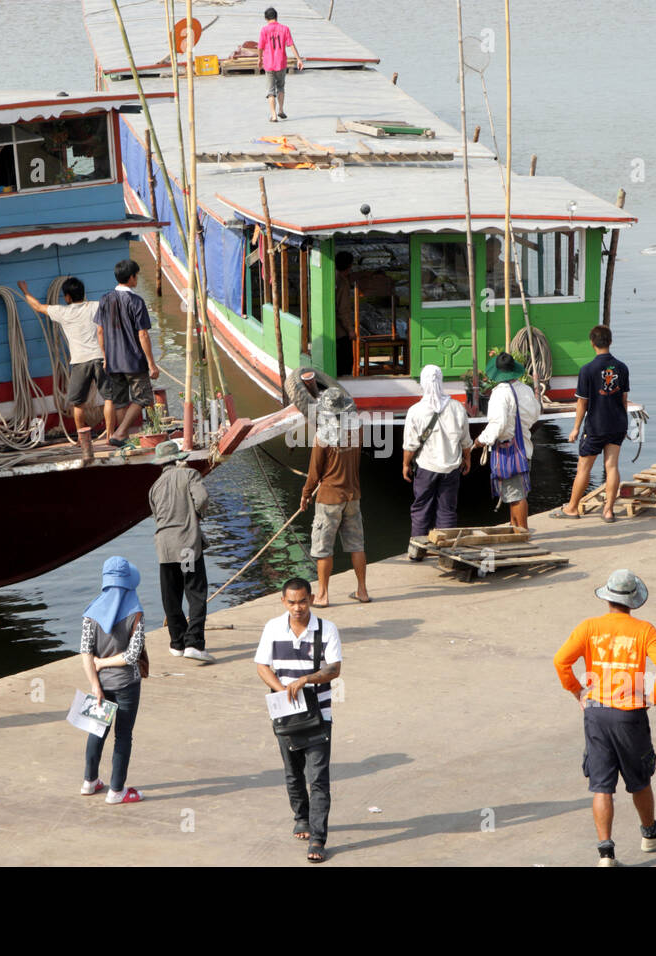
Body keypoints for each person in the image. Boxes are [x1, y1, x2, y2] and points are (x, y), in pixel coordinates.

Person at [553, 569, 656, 867]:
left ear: (607, 598)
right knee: (639, 778)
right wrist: (652, 698)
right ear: (633, 602)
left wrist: (578, 692)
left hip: (596, 712)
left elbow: (561, 660)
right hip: (629, 714)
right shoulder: (645, 630)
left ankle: (606, 854)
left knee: (601, 784)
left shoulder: (588, 628)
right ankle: (650, 833)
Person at [254, 577, 342, 863]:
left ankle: (318, 838)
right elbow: (262, 665)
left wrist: (304, 680)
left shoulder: (326, 629)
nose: (297, 608)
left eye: (302, 601)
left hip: (320, 715)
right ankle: (301, 817)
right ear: (283, 602)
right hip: (285, 714)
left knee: (317, 778)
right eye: (291, 602)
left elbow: (334, 669)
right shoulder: (272, 628)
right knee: (293, 773)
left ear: (312, 599)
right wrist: (283, 691)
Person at [79, 556, 147, 804]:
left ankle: (90, 781)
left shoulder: (90, 613)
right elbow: (132, 655)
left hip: (101, 686)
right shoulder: (135, 612)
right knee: (123, 736)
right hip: (128, 684)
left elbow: (85, 651)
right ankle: (117, 791)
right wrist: (106, 662)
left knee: (96, 731)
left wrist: (96, 683)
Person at [18, 276, 104, 461]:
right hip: (99, 357)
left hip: (80, 361)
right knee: (110, 398)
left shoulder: (63, 312)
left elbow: (38, 307)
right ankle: (112, 435)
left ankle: (82, 439)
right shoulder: (96, 306)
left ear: (67, 297)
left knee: (77, 402)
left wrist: (25, 291)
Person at [300, 388, 370, 606]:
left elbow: (314, 473)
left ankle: (322, 595)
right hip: (353, 495)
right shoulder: (357, 430)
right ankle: (362, 591)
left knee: (323, 549)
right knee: (357, 545)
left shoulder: (323, 437)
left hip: (329, 498)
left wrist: (305, 495)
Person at [148, 440, 215, 663]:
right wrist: (196, 515)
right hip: (186, 547)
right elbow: (203, 499)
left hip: (164, 549)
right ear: (178, 459)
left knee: (171, 595)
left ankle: (177, 642)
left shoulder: (154, 487)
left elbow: (157, 515)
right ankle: (194, 642)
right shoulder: (190, 475)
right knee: (194, 592)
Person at [559, 326, 630, 522]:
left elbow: (582, 402)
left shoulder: (587, 370)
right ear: (610, 342)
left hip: (596, 426)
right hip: (617, 423)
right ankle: (608, 511)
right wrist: (624, 423)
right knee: (612, 466)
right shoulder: (622, 368)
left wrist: (575, 428)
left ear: (592, 343)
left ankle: (572, 508)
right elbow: (624, 399)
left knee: (583, 468)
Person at [402, 364, 472, 541]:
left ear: (423, 384)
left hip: (426, 468)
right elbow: (465, 440)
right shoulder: (457, 407)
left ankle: (418, 550)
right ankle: (444, 551)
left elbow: (410, 445)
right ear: (441, 381)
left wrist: (405, 464)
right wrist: (467, 458)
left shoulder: (415, 411)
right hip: (451, 468)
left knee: (421, 509)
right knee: (447, 511)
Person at [95, 260, 161, 448]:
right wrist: (151, 364)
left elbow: (100, 331)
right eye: (136, 276)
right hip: (133, 360)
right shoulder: (136, 301)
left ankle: (122, 438)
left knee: (121, 401)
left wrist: (106, 357)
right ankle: (121, 432)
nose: (137, 279)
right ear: (131, 277)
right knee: (144, 397)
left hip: (114, 361)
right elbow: (143, 334)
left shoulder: (104, 299)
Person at [474, 352, 541, 529]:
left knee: (516, 495)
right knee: (515, 494)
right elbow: (535, 414)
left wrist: (480, 440)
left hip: (509, 451)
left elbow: (498, 424)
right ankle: (514, 528)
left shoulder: (499, 394)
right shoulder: (526, 390)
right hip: (524, 447)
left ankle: (522, 533)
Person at [258, 7, 303, 122]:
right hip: (281, 63)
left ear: (266, 18)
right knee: (281, 87)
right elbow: (291, 44)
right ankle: (281, 110)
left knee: (270, 90)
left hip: (269, 63)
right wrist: (298, 59)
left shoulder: (264, 30)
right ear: (276, 17)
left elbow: (260, 47)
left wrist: (259, 59)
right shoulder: (285, 29)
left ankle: (273, 115)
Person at [333, 251, 357, 375]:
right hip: (341, 332)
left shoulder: (332, 276)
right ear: (349, 266)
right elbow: (343, 310)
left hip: (334, 330)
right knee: (345, 364)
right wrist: (350, 330)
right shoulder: (342, 282)